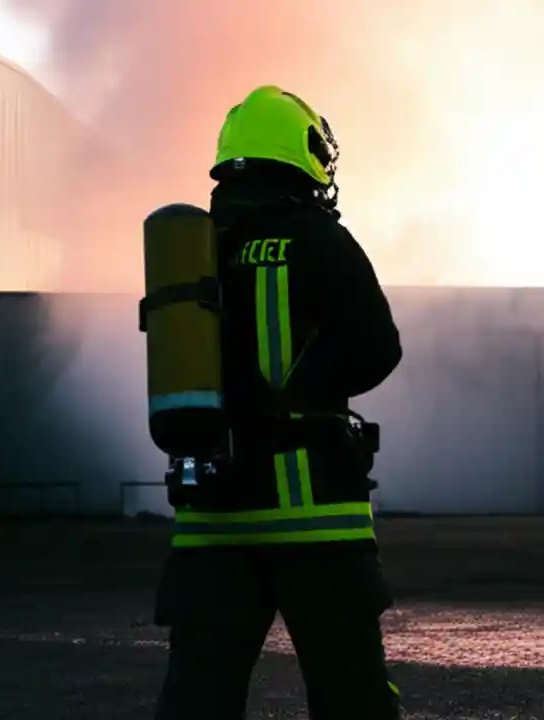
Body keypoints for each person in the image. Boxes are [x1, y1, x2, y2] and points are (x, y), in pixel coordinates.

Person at [153, 85, 404, 720]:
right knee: (352, 697)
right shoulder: (317, 238)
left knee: (198, 698)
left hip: (209, 519)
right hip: (312, 515)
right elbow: (378, 349)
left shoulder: (190, 249)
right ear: (305, 151)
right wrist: (306, 394)